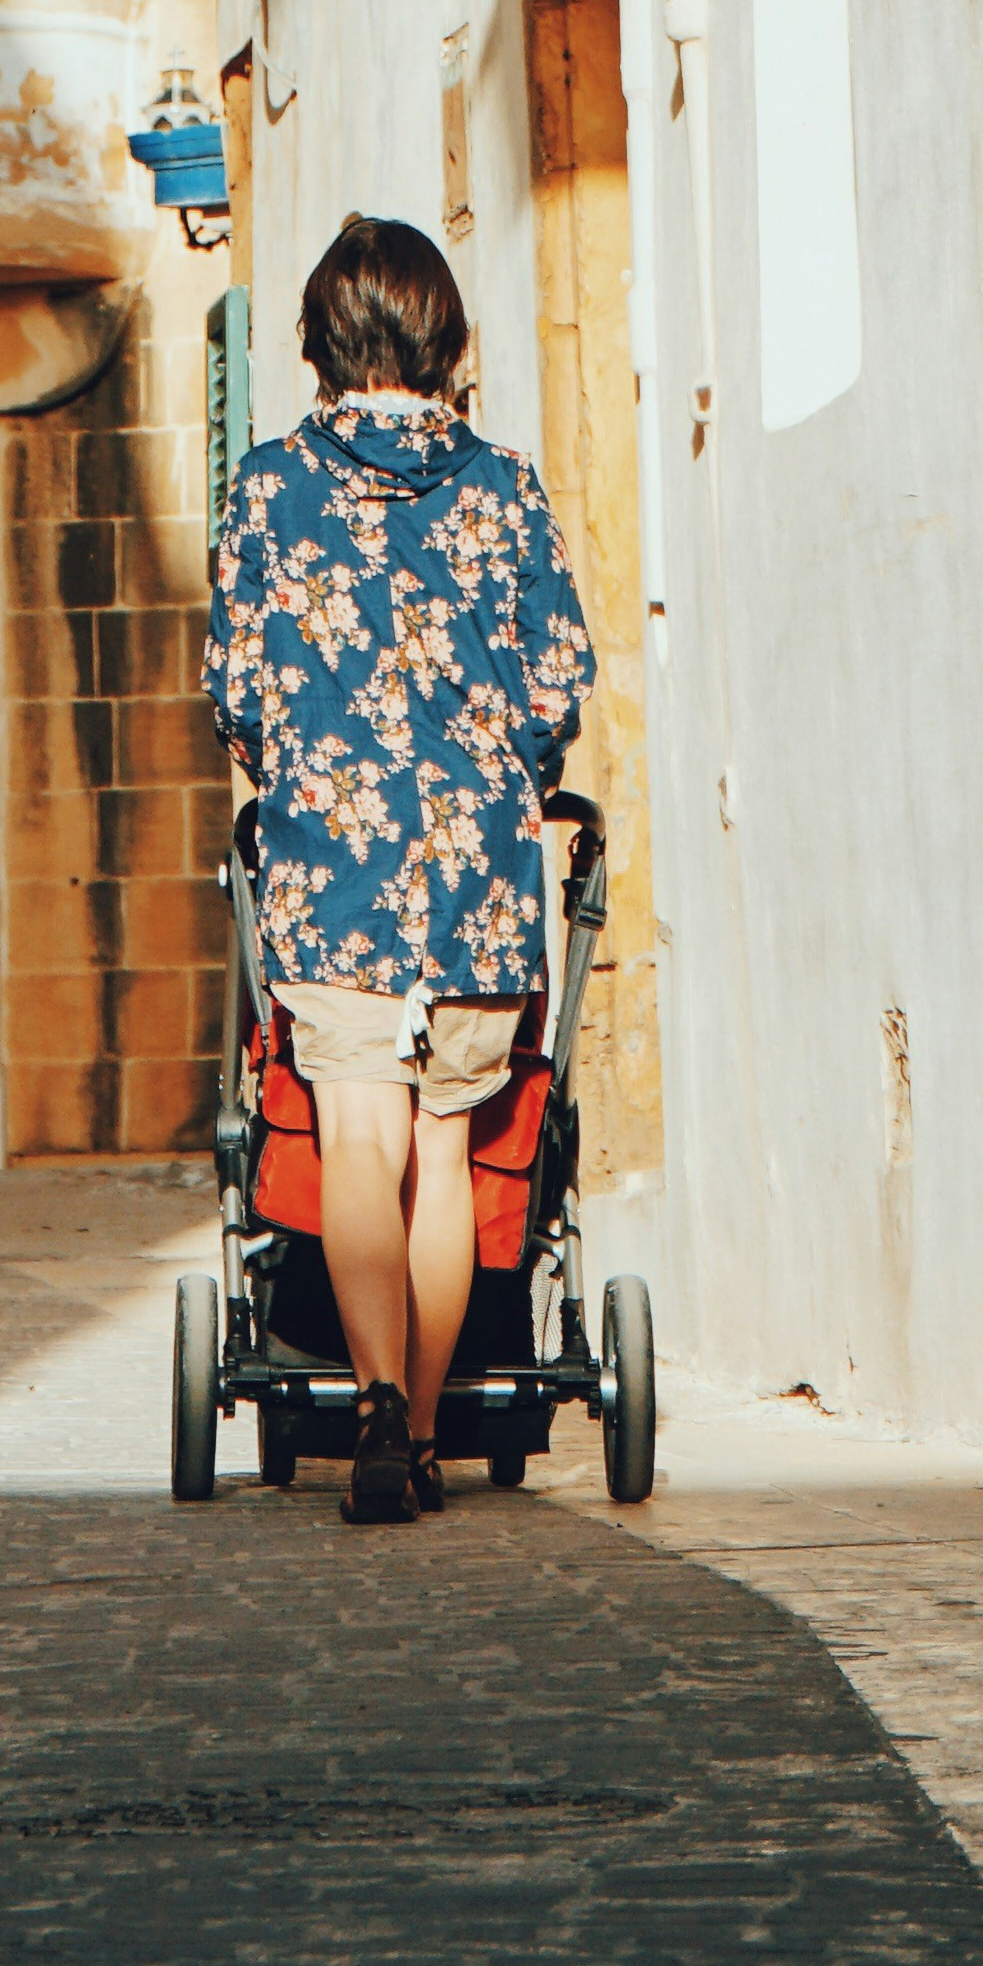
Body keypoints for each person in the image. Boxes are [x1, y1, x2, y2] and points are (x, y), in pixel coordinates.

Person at [204, 213, 593, 1526]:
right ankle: (421, 1431)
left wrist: (307, 753)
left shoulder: (267, 489)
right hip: (480, 874)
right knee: (443, 1143)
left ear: (320, 339)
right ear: (442, 336)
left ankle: (368, 1397)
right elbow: (556, 685)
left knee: (358, 1138)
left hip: (333, 868)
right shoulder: (507, 487)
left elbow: (239, 697)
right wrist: (496, 766)